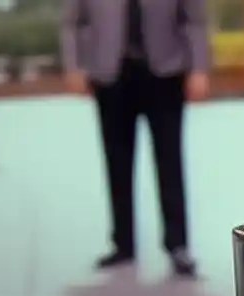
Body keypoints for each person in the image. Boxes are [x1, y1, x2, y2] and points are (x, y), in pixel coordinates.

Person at [61, 0, 211, 277]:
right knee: (117, 162)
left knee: (170, 161)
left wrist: (199, 69)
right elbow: (73, 23)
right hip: (110, 74)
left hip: (166, 71)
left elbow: (194, 20)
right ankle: (123, 244)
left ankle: (177, 245)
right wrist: (74, 67)